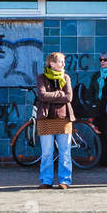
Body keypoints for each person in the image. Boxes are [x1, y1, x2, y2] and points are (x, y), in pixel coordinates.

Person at [34, 52, 75, 189]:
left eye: (64, 61)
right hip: (45, 119)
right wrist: (59, 94)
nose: (63, 64)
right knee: (46, 152)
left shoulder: (66, 77)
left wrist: (54, 96)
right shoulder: (41, 77)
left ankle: (65, 181)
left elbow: (68, 97)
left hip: (64, 119)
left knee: (65, 151)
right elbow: (42, 95)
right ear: (51, 63)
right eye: (61, 61)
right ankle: (46, 180)